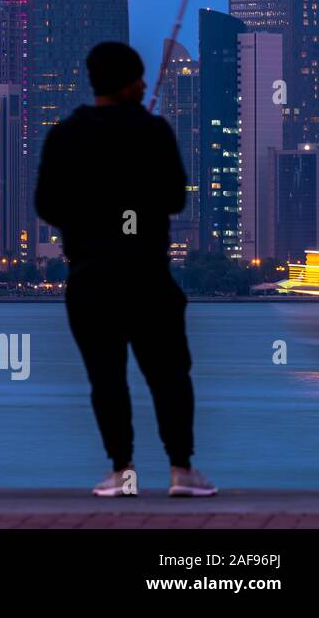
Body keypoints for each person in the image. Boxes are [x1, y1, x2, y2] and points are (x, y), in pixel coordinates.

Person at [35, 42, 216, 498]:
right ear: (130, 82)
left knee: (105, 376)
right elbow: (176, 198)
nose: (145, 84)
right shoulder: (153, 131)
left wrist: (88, 218)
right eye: (140, 77)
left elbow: (46, 205)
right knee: (169, 373)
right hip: (147, 273)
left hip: (90, 275)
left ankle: (122, 469)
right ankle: (181, 469)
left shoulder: (65, 135)